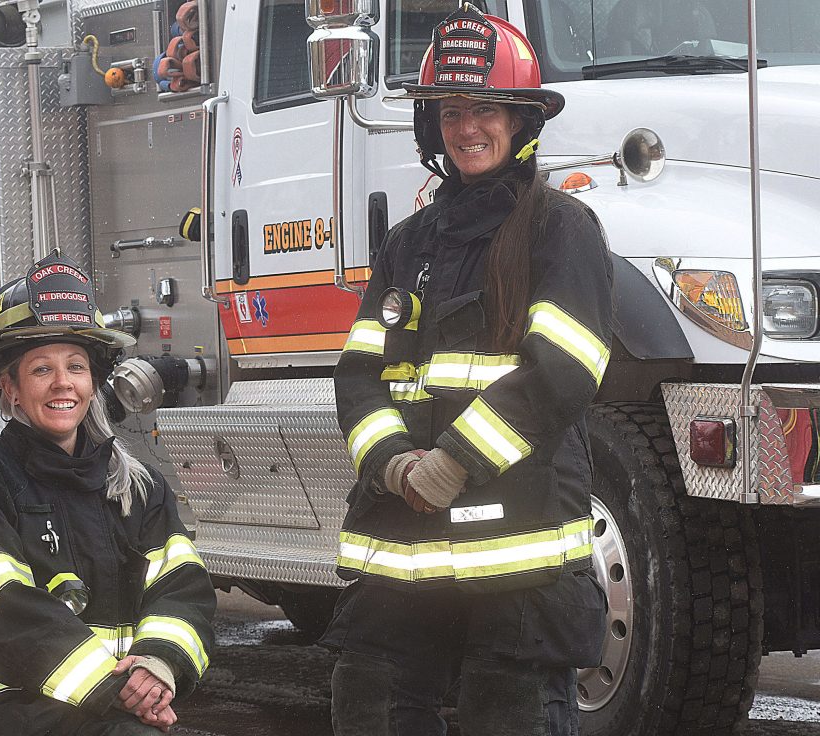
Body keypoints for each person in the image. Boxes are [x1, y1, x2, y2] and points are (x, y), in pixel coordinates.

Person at [324, 5, 612, 736]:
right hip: (402, 542)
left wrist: (453, 462)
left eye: (485, 109)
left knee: (508, 713)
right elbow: (359, 373)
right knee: (373, 704)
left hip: (516, 549)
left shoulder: (560, 229)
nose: (466, 129)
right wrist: (392, 464)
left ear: (519, 121)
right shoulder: (408, 242)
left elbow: (564, 371)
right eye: (451, 112)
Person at [0, 251, 215, 736]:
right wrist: (121, 693)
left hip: (97, 706)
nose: (63, 383)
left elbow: (181, 590)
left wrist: (157, 665)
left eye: (76, 366)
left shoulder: (136, 489)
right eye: (41, 370)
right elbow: (4, 617)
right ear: (9, 389)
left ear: (93, 381)